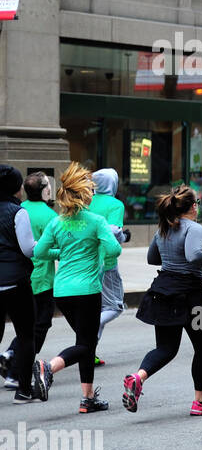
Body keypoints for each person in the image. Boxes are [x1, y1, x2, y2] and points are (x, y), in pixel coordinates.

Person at [122, 186, 202, 416]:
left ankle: (137, 377)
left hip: (165, 294)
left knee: (166, 348)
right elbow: (193, 255)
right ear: (193, 206)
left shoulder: (164, 228)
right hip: (193, 299)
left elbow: (152, 258)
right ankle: (199, 402)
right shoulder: (195, 228)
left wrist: (172, 255)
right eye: (197, 203)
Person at [32, 164, 122, 411]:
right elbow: (114, 249)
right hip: (88, 291)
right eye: (91, 189)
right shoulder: (96, 221)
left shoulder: (57, 223)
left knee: (85, 342)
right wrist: (99, 247)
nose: (93, 192)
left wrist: (62, 251)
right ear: (83, 193)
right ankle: (48, 368)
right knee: (85, 344)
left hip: (61, 292)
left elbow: (38, 252)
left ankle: (88, 398)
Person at [2, 173, 57, 387]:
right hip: (41, 279)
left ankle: (9, 355)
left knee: (26, 327)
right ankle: (16, 371)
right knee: (38, 326)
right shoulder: (50, 215)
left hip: (20, 277)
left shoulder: (19, 209)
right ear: (45, 191)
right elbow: (45, 248)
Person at [0, 165, 37, 405]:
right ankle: (23, 391)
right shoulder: (18, 212)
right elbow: (28, 249)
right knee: (25, 335)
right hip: (15, 283)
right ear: (16, 188)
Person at [89, 168, 129, 363]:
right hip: (107, 262)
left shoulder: (87, 201)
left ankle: (89, 352)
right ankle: (88, 331)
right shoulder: (116, 205)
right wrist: (124, 236)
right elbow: (113, 232)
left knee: (99, 306)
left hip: (88, 261)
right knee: (115, 306)